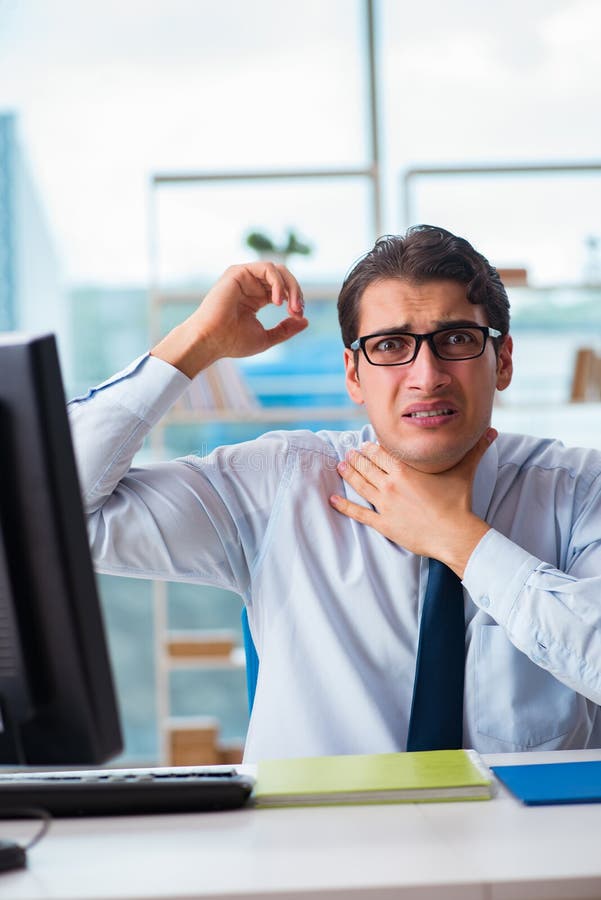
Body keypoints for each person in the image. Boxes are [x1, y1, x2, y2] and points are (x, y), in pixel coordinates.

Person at [68, 224, 601, 762]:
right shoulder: (283, 482)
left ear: (502, 361)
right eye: (390, 345)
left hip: (525, 839)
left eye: (457, 339)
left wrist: (460, 541)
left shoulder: (580, 491)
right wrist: (196, 343)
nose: (426, 375)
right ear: (353, 373)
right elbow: (56, 513)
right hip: (314, 841)